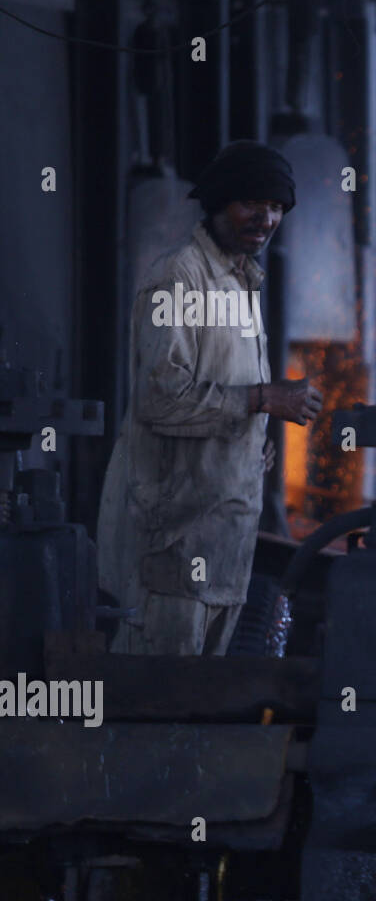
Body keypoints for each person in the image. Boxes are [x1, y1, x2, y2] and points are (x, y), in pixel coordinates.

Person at [97, 141, 323, 656]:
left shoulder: (241, 282)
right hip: (172, 549)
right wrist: (266, 397)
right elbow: (160, 399)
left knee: (200, 714)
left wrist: (252, 444)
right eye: (249, 203)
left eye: (275, 207)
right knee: (158, 712)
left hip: (224, 550)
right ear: (219, 203)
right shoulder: (178, 278)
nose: (264, 218)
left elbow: (223, 396)